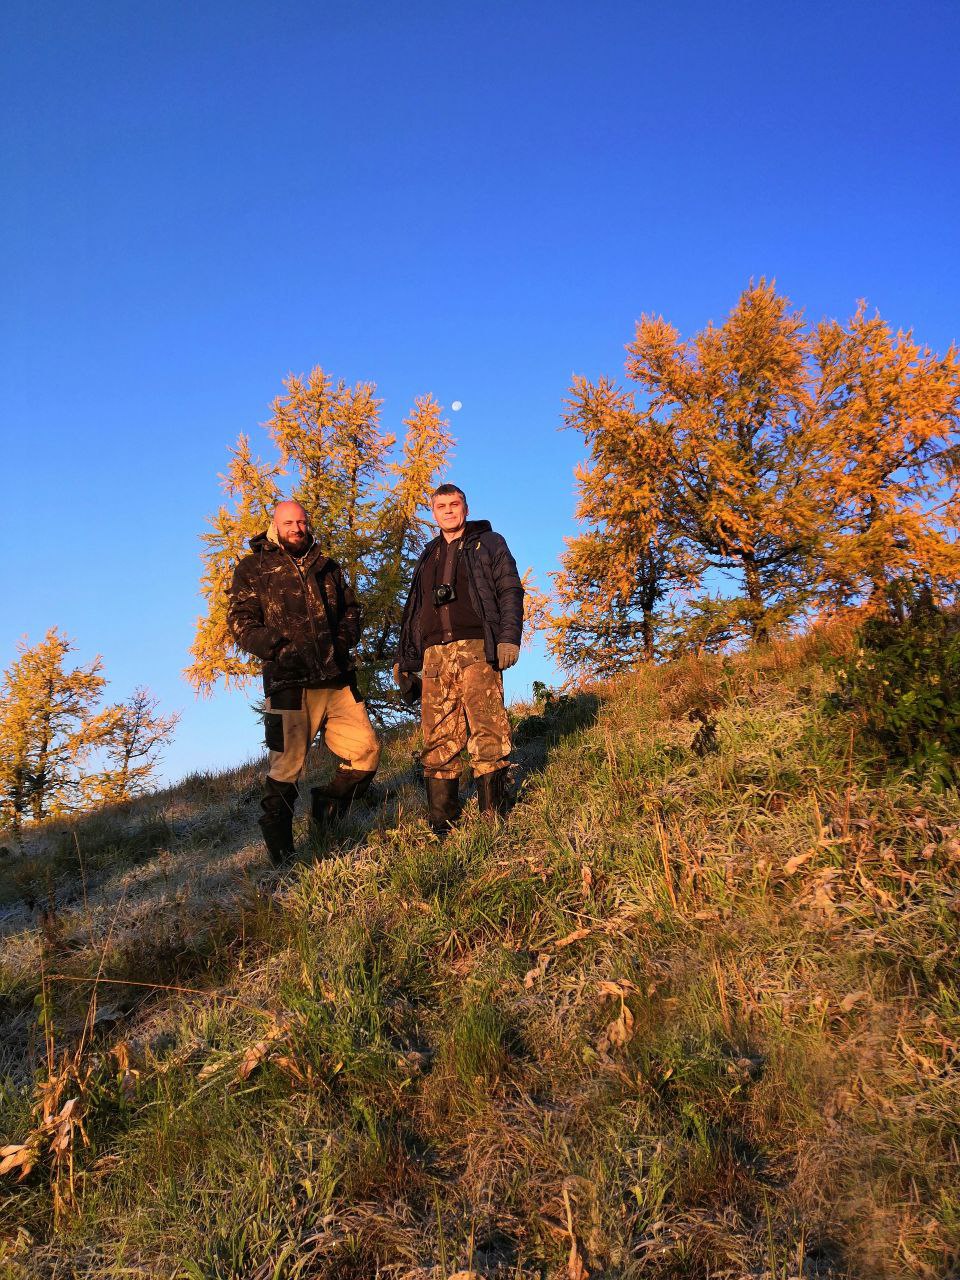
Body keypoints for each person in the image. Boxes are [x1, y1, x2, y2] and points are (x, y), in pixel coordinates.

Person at [227, 500, 381, 864]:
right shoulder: (254, 568)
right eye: (288, 522)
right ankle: (282, 858)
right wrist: (278, 648)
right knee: (285, 769)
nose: (296, 527)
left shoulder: (326, 566)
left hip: (337, 679)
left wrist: (342, 643)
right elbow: (241, 621)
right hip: (289, 684)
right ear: (274, 526)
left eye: (301, 521)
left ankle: (326, 813)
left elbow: (352, 610)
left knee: (367, 753)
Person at [395, 483, 523, 833]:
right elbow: (415, 610)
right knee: (437, 736)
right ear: (432, 513)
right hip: (435, 656)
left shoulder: (490, 543)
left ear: (465, 508)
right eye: (441, 506)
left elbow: (510, 588)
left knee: (487, 727)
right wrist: (405, 660)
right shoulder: (428, 554)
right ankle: (442, 824)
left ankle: (493, 818)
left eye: (455, 504)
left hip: (477, 647)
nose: (449, 510)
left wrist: (509, 637)